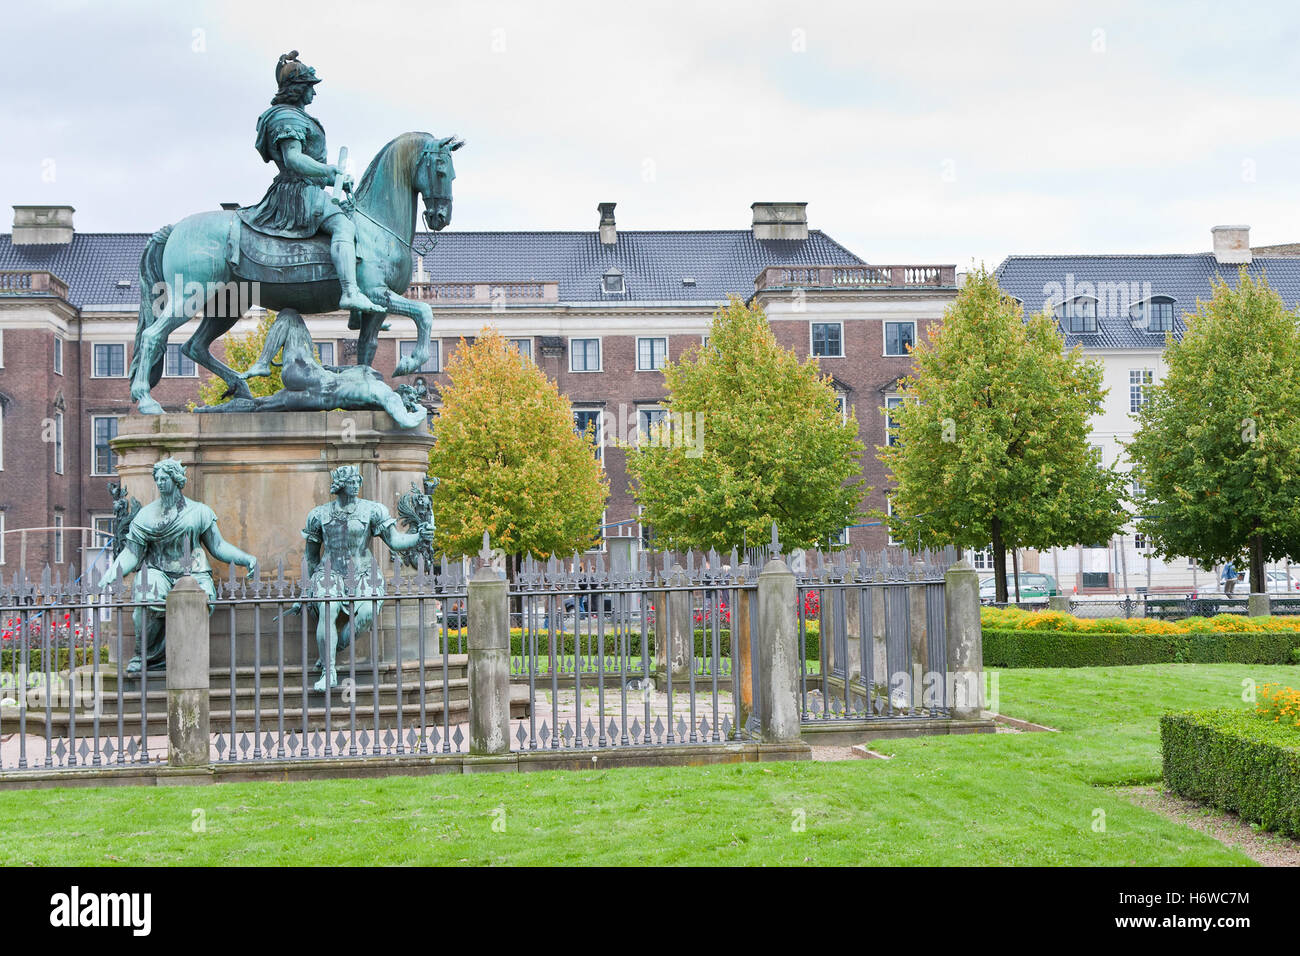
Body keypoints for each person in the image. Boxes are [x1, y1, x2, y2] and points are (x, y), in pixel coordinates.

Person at [238, 51, 381, 314]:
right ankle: (350, 293)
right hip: (296, 192)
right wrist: (330, 171)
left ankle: (359, 309)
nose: (314, 94)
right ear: (298, 89)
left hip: (307, 188)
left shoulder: (295, 116)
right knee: (343, 226)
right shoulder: (287, 118)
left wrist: (332, 178)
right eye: (310, 88)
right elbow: (293, 159)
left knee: (355, 222)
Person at [97, 459, 258, 674]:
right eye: (158, 479)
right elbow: (132, 553)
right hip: (158, 569)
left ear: (176, 480)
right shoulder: (146, 515)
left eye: (165, 478)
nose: (160, 483)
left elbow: (217, 546)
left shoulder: (199, 511)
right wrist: (112, 573)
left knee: (198, 602)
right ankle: (145, 655)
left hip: (195, 570)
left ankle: (185, 656)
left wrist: (246, 559)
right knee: (146, 596)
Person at [300, 466, 433, 691]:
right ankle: (329, 671)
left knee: (367, 613)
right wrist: (307, 588)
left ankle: (331, 650)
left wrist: (419, 536)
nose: (356, 484)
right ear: (340, 485)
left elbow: (395, 541)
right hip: (329, 573)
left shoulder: (373, 510)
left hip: (363, 573)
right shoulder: (319, 515)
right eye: (351, 481)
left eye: (358, 480)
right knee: (326, 607)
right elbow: (310, 557)